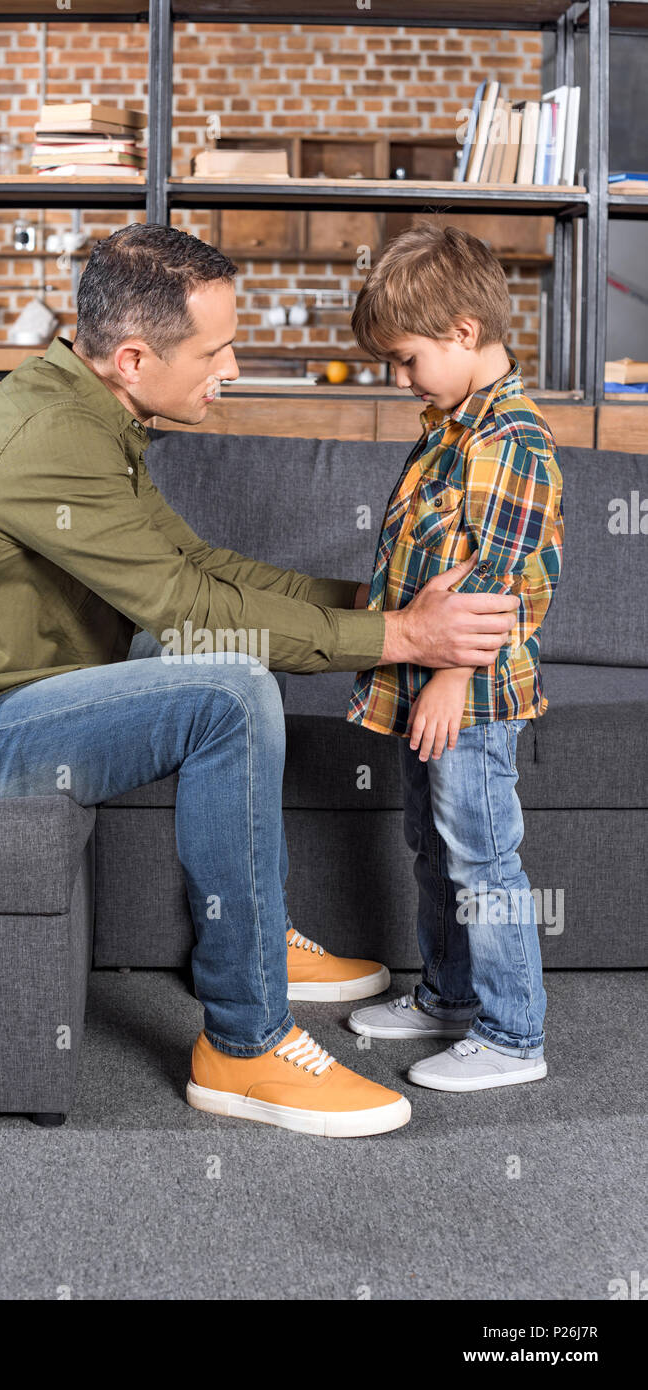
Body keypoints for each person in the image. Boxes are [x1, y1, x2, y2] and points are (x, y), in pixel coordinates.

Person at [0, 224, 520, 1137]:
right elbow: (184, 601)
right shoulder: (51, 437)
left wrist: (373, 603)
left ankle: (255, 935)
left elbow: (197, 565)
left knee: (225, 660)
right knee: (225, 692)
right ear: (131, 356)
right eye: (216, 349)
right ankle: (242, 1046)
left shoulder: (92, 411)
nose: (230, 368)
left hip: (5, 695)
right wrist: (395, 634)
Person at [346, 222, 564, 1093]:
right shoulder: (449, 426)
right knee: (433, 849)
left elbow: (501, 586)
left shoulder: (506, 440)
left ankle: (513, 1037)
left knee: (481, 857)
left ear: (462, 334)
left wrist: (447, 676)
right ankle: (445, 994)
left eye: (404, 360)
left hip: (467, 696)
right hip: (427, 688)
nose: (400, 379)